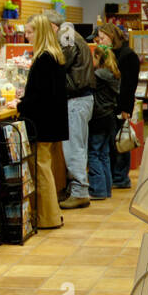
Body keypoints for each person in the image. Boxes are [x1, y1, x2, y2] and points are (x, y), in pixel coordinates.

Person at [19, 15, 69, 229]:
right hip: (52, 122)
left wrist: (21, 105)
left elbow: (38, 96)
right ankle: (51, 214)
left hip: (42, 124)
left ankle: (48, 217)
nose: (26, 36)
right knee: (45, 169)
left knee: (41, 171)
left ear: (40, 32)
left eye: (30, 32)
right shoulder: (54, 56)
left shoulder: (43, 59)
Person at [53, 15, 95, 209]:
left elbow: (60, 64)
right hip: (82, 99)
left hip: (76, 99)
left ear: (52, 26)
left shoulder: (66, 36)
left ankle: (79, 192)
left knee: (73, 148)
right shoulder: (72, 34)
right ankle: (78, 189)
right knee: (78, 147)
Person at [96, 23, 139, 189]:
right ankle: (116, 176)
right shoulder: (111, 54)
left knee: (121, 140)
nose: (100, 41)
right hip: (111, 105)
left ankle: (121, 177)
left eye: (102, 38)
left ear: (111, 36)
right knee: (114, 141)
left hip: (121, 105)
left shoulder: (128, 55)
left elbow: (130, 85)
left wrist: (126, 108)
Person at [88, 44, 121, 200]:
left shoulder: (98, 75)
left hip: (98, 117)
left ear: (98, 57)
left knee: (94, 154)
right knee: (104, 154)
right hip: (110, 117)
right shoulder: (114, 74)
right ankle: (107, 188)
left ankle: (98, 189)